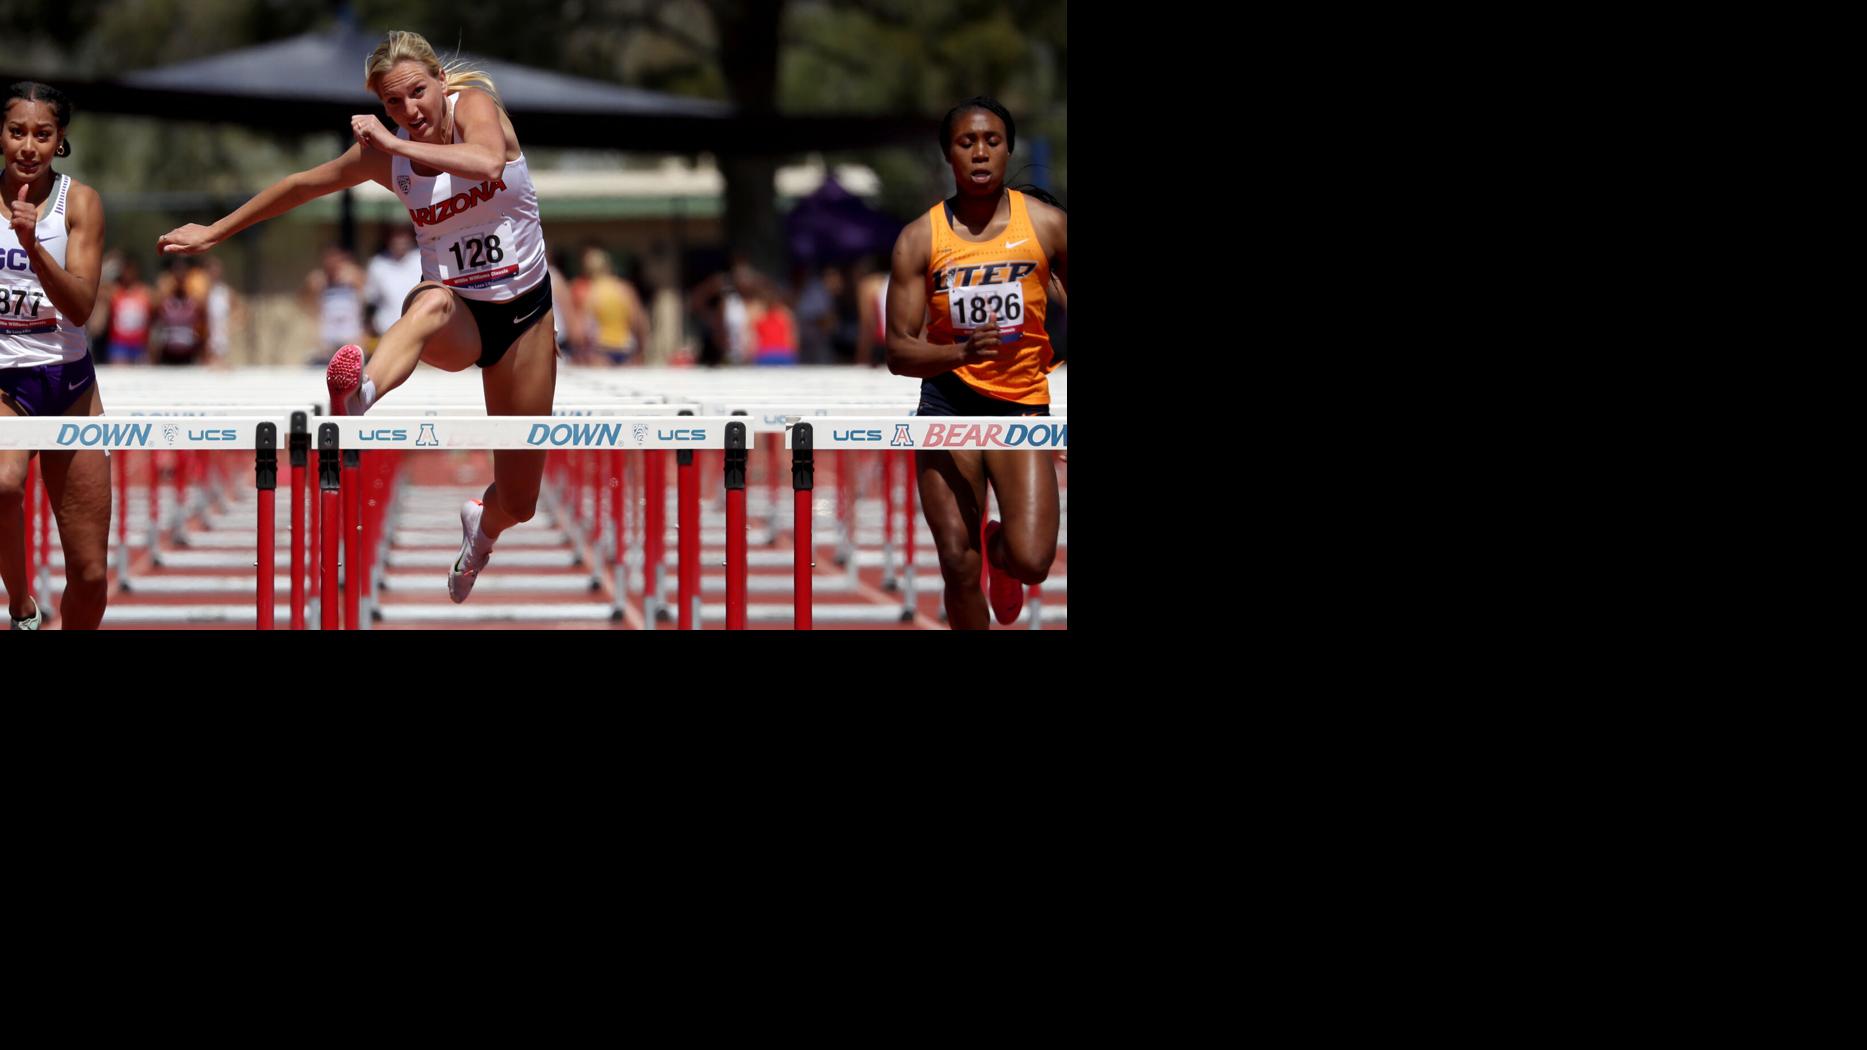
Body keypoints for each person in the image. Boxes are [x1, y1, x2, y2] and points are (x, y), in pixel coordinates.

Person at [159, 30, 557, 604]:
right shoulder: (385, 151)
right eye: (392, 104)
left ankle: (482, 528)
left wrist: (393, 148)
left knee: (520, 501)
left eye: (417, 92)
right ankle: (361, 394)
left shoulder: (473, 109)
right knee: (432, 300)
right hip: (457, 314)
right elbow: (300, 186)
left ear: (441, 81)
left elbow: (488, 163)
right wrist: (214, 231)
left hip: (525, 314)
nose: (408, 111)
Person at [885, 96, 1067, 629]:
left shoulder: (1049, 227)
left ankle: (1001, 550)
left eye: (992, 141)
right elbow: (898, 350)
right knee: (959, 568)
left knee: (1032, 561)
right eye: (967, 143)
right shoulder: (920, 238)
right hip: (948, 404)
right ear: (949, 154)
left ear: (1010, 149)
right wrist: (958, 352)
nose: (981, 153)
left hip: (1020, 407)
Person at [0, 81, 111, 630]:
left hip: (69, 387)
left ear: (59, 140)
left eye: (42, 135)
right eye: (16, 132)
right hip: (4, 383)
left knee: (90, 577)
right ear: (0, 135)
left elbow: (81, 308)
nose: (28, 146)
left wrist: (33, 249)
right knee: (2, 483)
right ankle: (22, 608)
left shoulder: (80, 203)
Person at [302, 244, 365, 363]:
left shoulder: (353, 276)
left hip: (350, 331)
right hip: (328, 333)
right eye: (328, 259)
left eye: (335, 258)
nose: (332, 263)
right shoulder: (319, 280)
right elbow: (304, 300)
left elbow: (367, 294)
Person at [363, 225, 422, 349]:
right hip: (386, 333)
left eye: (403, 236)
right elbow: (370, 300)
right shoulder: (377, 264)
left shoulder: (421, 259)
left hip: (419, 332)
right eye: (396, 236)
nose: (399, 241)